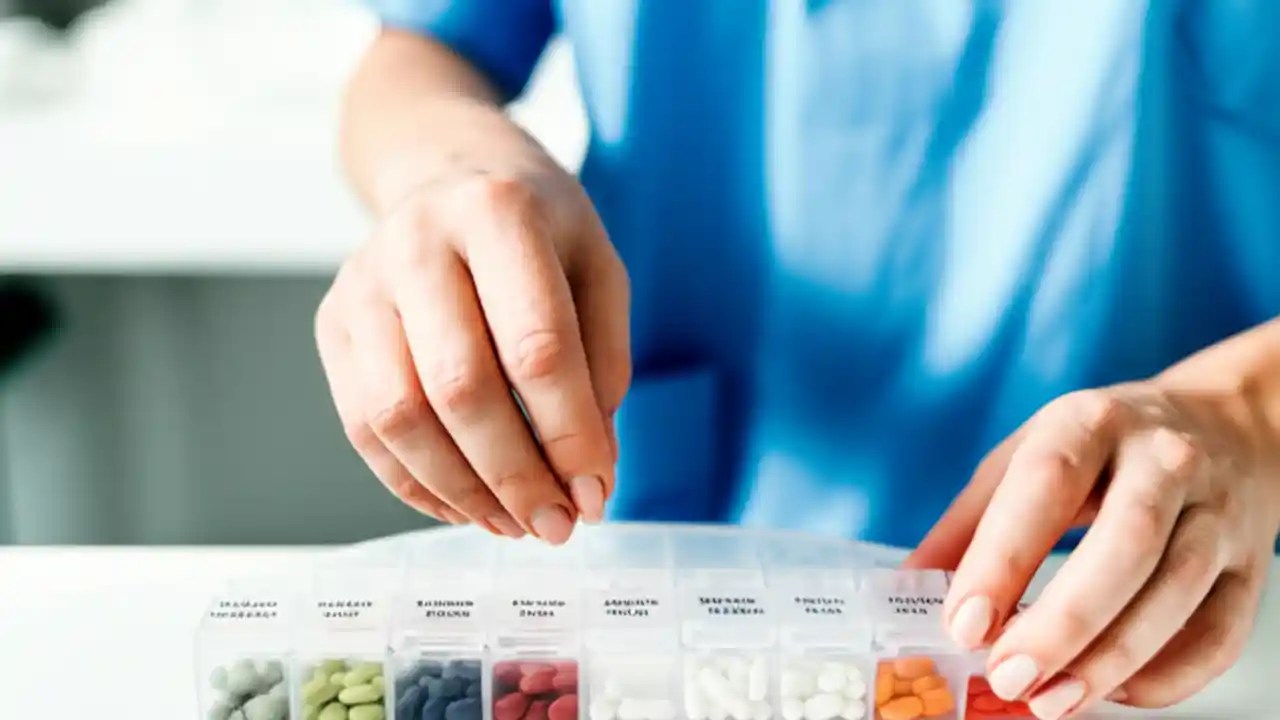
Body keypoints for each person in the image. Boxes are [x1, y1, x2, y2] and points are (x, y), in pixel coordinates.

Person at [317, 2, 1280, 718]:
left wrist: (1249, 409)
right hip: (686, 570)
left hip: (1178, 595)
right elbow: (424, 50)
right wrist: (451, 168)